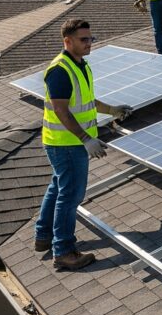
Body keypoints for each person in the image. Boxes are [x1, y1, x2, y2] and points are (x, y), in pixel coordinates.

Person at [35, 19, 129, 270]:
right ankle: (63, 251)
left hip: (67, 142)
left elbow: (87, 101)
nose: (89, 43)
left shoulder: (80, 65)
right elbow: (61, 110)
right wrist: (86, 139)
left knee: (58, 187)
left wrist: (112, 110)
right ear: (67, 41)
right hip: (67, 144)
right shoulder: (60, 70)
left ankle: (43, 235)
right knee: (70, 196)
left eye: (91, 39)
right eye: (83, 39)